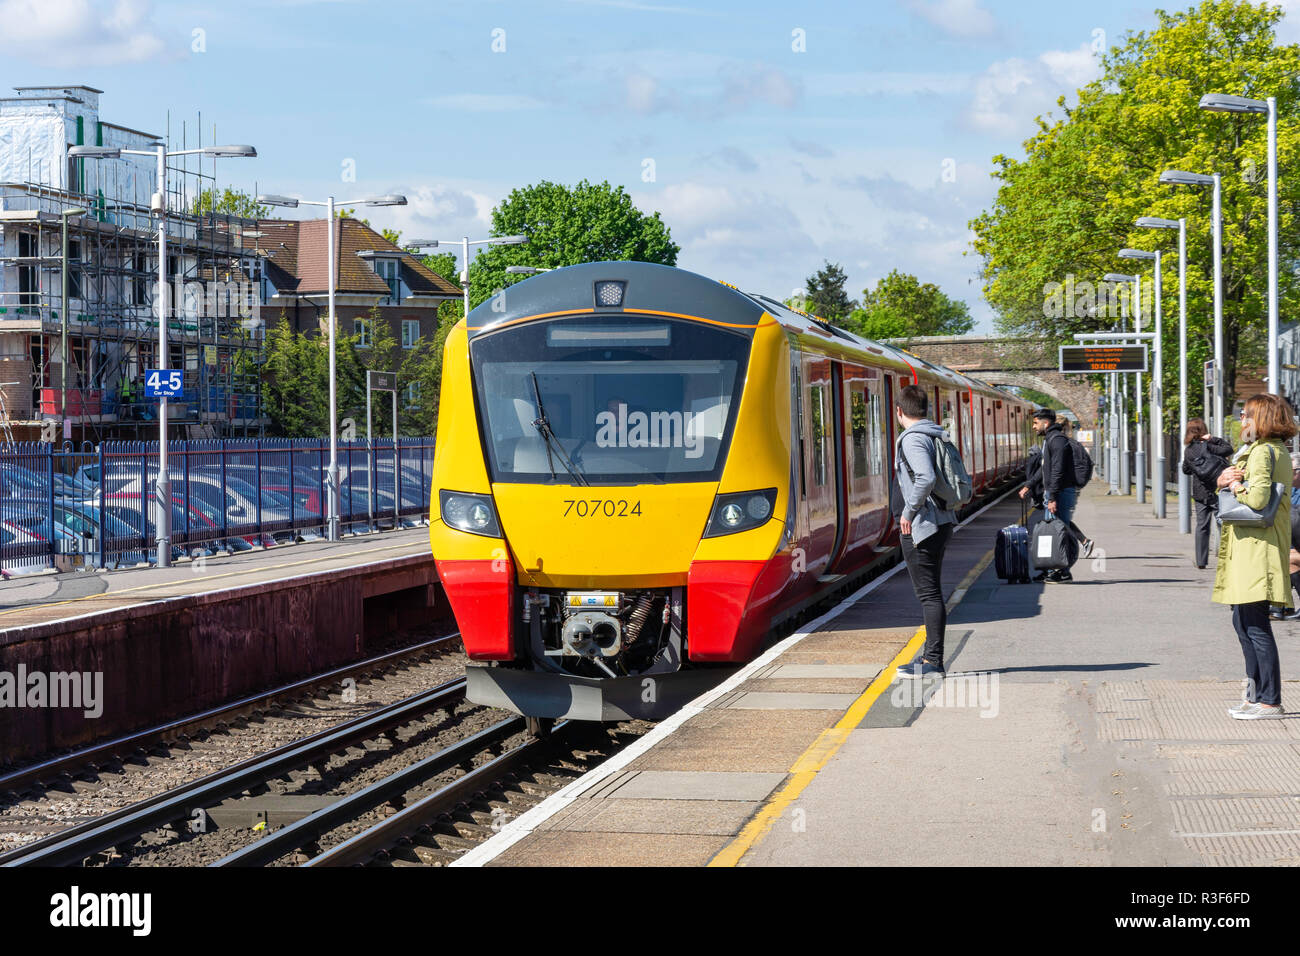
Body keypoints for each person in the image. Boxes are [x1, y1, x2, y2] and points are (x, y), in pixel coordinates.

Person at [1212, 393, 1294, 719]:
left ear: (1261, 417)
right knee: (1243, 621)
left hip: (1256, 550)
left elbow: (1258, 498)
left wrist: (1234, 487)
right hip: (1251, 547)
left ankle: (1269, 699)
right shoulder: (1270, 450)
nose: (1242, 420)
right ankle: (1255, 694)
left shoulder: (1263, 452)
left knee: (1254, 624)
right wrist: (1225, 479)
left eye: (1246, 415)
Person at [891, 384, 957, 680]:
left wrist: (908, 511)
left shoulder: (913, 439)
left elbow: (926, 477)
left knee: (929, 595)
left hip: (924, 526)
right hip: (939, 522)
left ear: (899, 412)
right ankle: (931, 658)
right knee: (932, 593)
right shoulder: (933, 433)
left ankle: (933, 662)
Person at [1029, 408, 1081, 582]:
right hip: (1054, 492)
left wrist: (1052, 497)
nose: (1034, 427)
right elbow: (1046, 469)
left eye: (1036, 423)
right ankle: (1051, 570)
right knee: (1051, 534)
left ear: (1046, 423)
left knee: (1061, 533)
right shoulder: (1051, 439)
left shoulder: (1057, 440)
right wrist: (1029, 485)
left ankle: (1064, 572)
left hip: (1060, 493)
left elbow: (1057, 471)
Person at [1181, 418, 1233, 569]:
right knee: (1224, 523)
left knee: (1202, 526)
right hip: (1218, 489)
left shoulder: (1189, 450)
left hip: (1200, 492)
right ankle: (1227, 557)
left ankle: (1201, 561)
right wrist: (1213, 439)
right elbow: (1228, 449)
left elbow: (1186, 470)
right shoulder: (1210, 446)